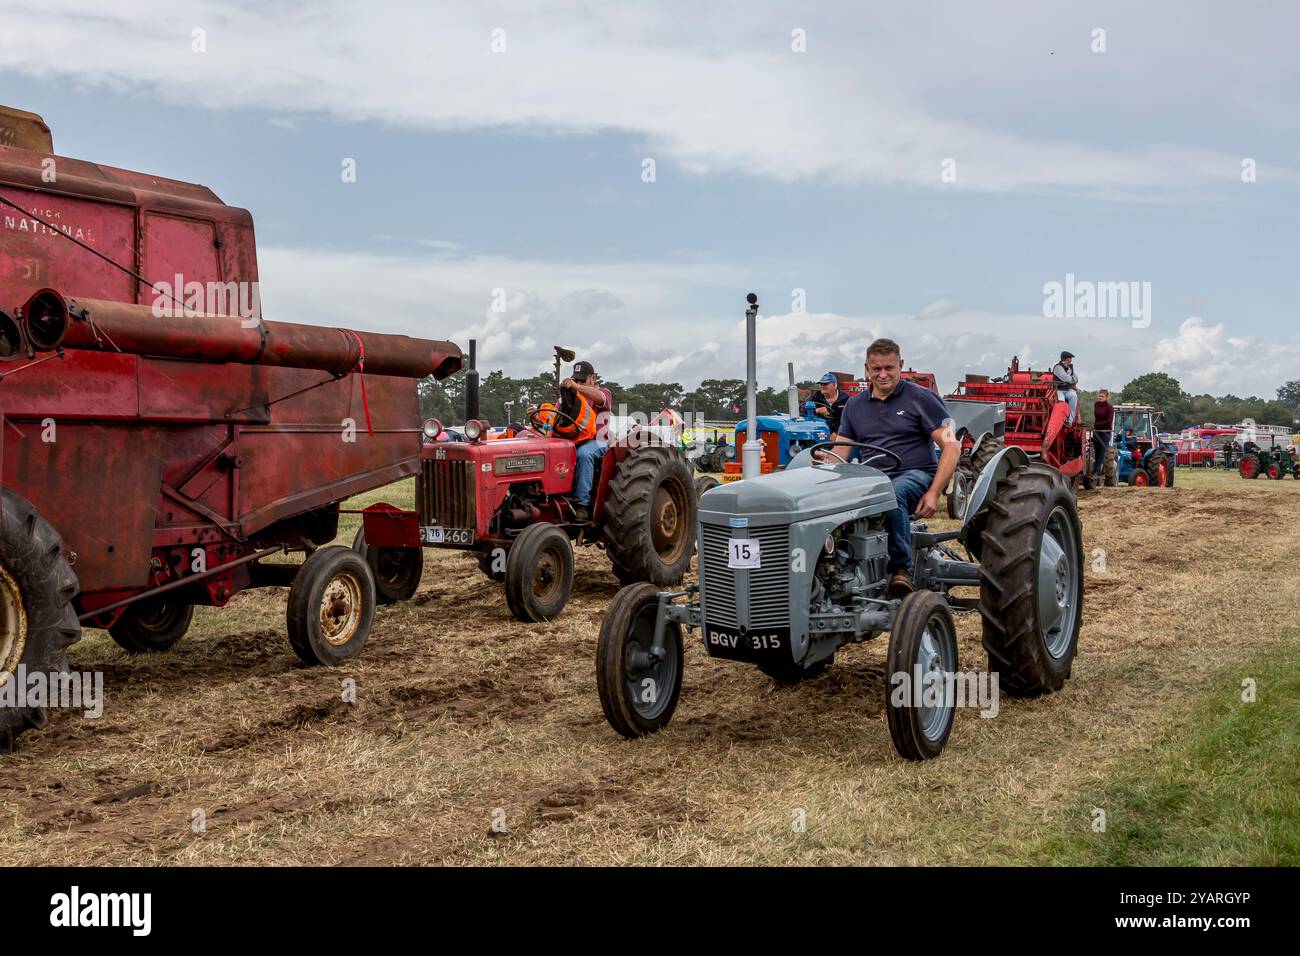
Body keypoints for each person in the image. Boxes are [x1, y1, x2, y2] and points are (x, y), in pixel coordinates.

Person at [826, 338, 960, 597]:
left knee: (892, 492)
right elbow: (841, 452)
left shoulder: (921, 399)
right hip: (871, 476)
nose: (883, 374)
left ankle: (901, 569)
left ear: (900, 365)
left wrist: (933, 492)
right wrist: (823, 465)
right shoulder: (854, 405)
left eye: (889, 368)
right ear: (867, 369)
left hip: (915, 473)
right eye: (876, 369)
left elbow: (951, 447)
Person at [564, 360, 612, 523]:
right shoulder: (571, 397)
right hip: (576, 439)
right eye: (575, 380)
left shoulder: (603, 393)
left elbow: (600, 398)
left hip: (598, 441)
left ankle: (582, 505)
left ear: (592, 378)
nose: (577, 384)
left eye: (581, 380)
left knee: (585, 454)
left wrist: (577, 388)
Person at [1092, 388, 1114, 477]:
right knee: (1096, 450)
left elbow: (1109, 421)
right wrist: (1095, 425)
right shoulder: (1096, 404)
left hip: (1105, 432)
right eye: (1099, 396)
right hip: (1096, 431)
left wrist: (1098, 424)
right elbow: (1096, 417)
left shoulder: (1109, 407)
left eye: (1102, 396)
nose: (1100, 397)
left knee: (1101, 451)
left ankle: (1096, 472)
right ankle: (1096, 468)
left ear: (1107, 397)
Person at [1052, 351, 1079, 424]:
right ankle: (1061, 421)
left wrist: (1071, 380)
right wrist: (1072, 380)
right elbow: (1066, 378)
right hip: (1059, 390)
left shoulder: (1070, 368)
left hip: (1068, 389)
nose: (1071, 360)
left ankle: (1069, 421)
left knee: (1074, 397)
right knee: (1062, 403)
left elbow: (1076, 379)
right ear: (1065, 359)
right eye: (1069, 358)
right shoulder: (1058, 367)